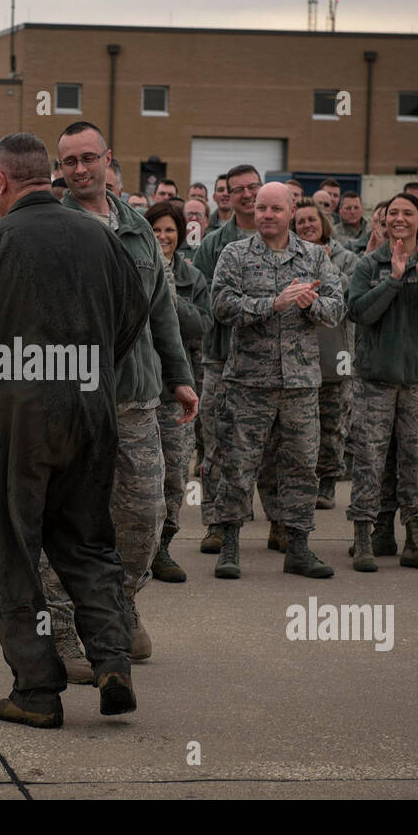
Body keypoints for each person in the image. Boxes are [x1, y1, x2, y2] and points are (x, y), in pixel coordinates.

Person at [0, 131, 149, 728]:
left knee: (11, 547)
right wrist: (89, 365)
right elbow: (134, 315)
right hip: (92, 406)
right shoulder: (103, 239)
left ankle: (37, 689)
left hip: (23, 411)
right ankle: (111, 660)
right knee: (88, 540)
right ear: (45, 175)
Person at [48, 121, 196, 674]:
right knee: (63, 519)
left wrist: (178, 375)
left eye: (89, 158)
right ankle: (60, 628)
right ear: (59, 169)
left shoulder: (136, 228)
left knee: (142, 517)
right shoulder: (50, 226)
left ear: (109, 159)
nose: (80, 170)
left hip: (135, 398)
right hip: (69, 400)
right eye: (69, 162)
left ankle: (120, 605)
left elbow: (162, 310)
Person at [211, 183, 345, 580]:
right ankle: (229, 544)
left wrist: (310, 304)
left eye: (275, 208)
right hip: (249, 384)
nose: (266, 214)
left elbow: (337, 308)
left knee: (302, 466)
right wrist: (272, 304)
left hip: (301, 384)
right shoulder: (235, 254)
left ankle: (299, 546)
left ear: (291, 212)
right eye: (260, 207)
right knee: (238, 464)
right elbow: (220, 306)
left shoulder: (314, 258)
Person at [345, 192, 418, 572]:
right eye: (393, 212)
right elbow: (360, 312)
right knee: (369, 460)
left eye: (408, 213)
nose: (399, 218)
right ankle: (364, 539)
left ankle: (416, 540)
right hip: (375, 380)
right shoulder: (369, 264)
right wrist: (393, 279)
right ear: (382, 220)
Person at [191, 163, 260, 554]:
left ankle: (282, 524)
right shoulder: (214, 244)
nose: (247, 196)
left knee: (272, 446)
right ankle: (215, 523)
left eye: (253, 188)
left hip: (273, 363)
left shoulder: (283, 239)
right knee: (216, 444)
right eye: (239, 190)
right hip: (221, 358)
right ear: (228, 197)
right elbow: (201, 299)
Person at [144, 201, 211, 583]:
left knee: (173, 476)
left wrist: (168, 294)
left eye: (170, 231)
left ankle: (162, 548)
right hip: (138, 388)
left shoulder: (191, 277)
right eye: (156, 230)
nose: (163, 237)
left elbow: (201, 324)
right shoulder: (132, 270)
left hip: (175, 392)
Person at [291, 198, 358, 512]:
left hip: (334, 357)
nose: (306, 226)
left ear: (324, 224)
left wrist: (329, 269)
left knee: (332, 426)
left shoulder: (345, 257)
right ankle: (298, 484)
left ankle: (328, 482)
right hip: (297, 360)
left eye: (311, 220)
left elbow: (354, 298)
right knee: (299, 430)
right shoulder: (288, 256)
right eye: (301, 221)